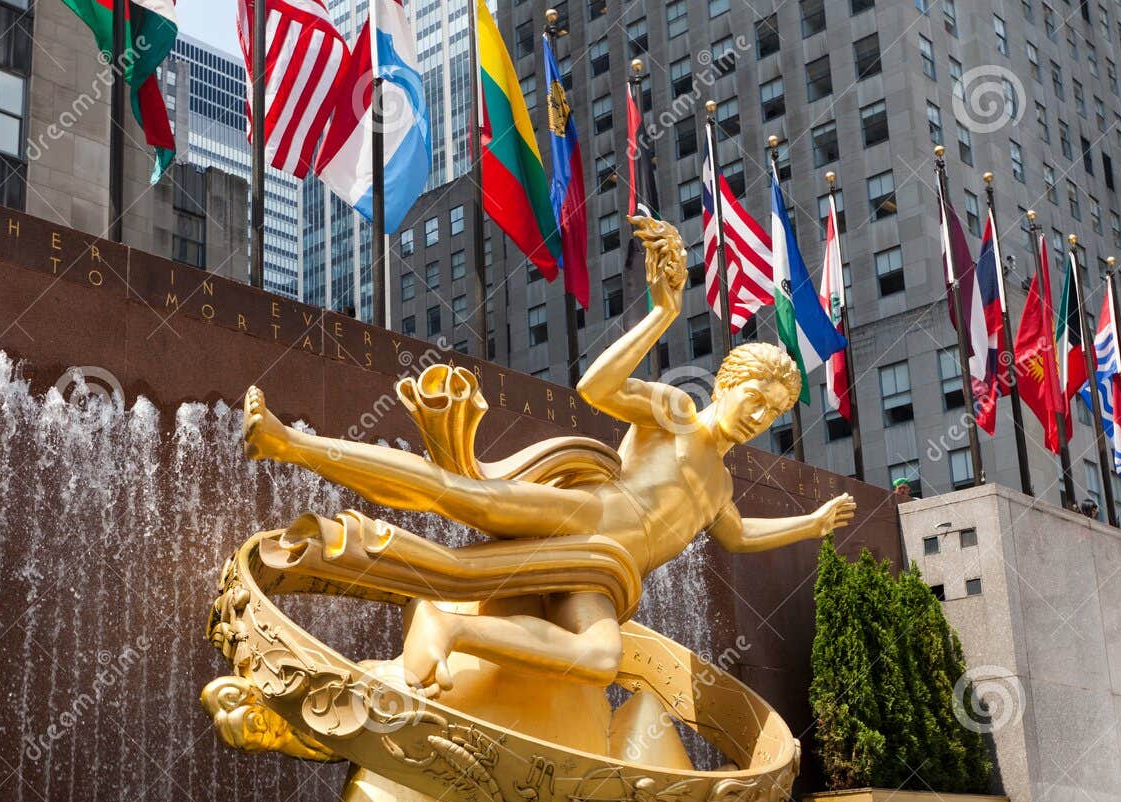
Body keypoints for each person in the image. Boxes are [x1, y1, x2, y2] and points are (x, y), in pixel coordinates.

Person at [242, 217, 856, 693]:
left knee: (599, 658)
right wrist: (664, 313)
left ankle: (452, 627)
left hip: (607, 575)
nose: (760, 415)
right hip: (587, 517)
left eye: (774, 413)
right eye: (757, 397)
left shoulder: (720, 487)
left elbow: (740, 535)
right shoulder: (673, 414)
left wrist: (812, 523)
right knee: (460, 494)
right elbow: (597, 389)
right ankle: (288, 441)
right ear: (727, 383)